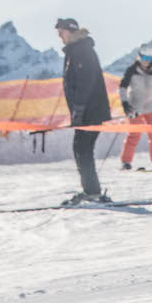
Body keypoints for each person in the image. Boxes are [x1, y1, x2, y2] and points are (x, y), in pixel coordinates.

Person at [56, 17, 112, 204]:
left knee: (82, 148)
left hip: (90, 110)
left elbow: (85, 82)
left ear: (70, 32)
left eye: (61, 32)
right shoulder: (76, 49)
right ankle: (91, 190)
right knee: (81, 148)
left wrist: (79, 108)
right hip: (87, 110)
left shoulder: (81, 50)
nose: (59, 36)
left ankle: (92, 191)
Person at [118, 43, 152, 170]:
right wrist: (125, 103)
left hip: (151, 107)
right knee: (134, 135)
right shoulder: (131, 70)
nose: (147, 62)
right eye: (144, 58)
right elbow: (122, 88)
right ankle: (126, 162)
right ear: (139, 57)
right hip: (135, 107)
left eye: (149, 59)